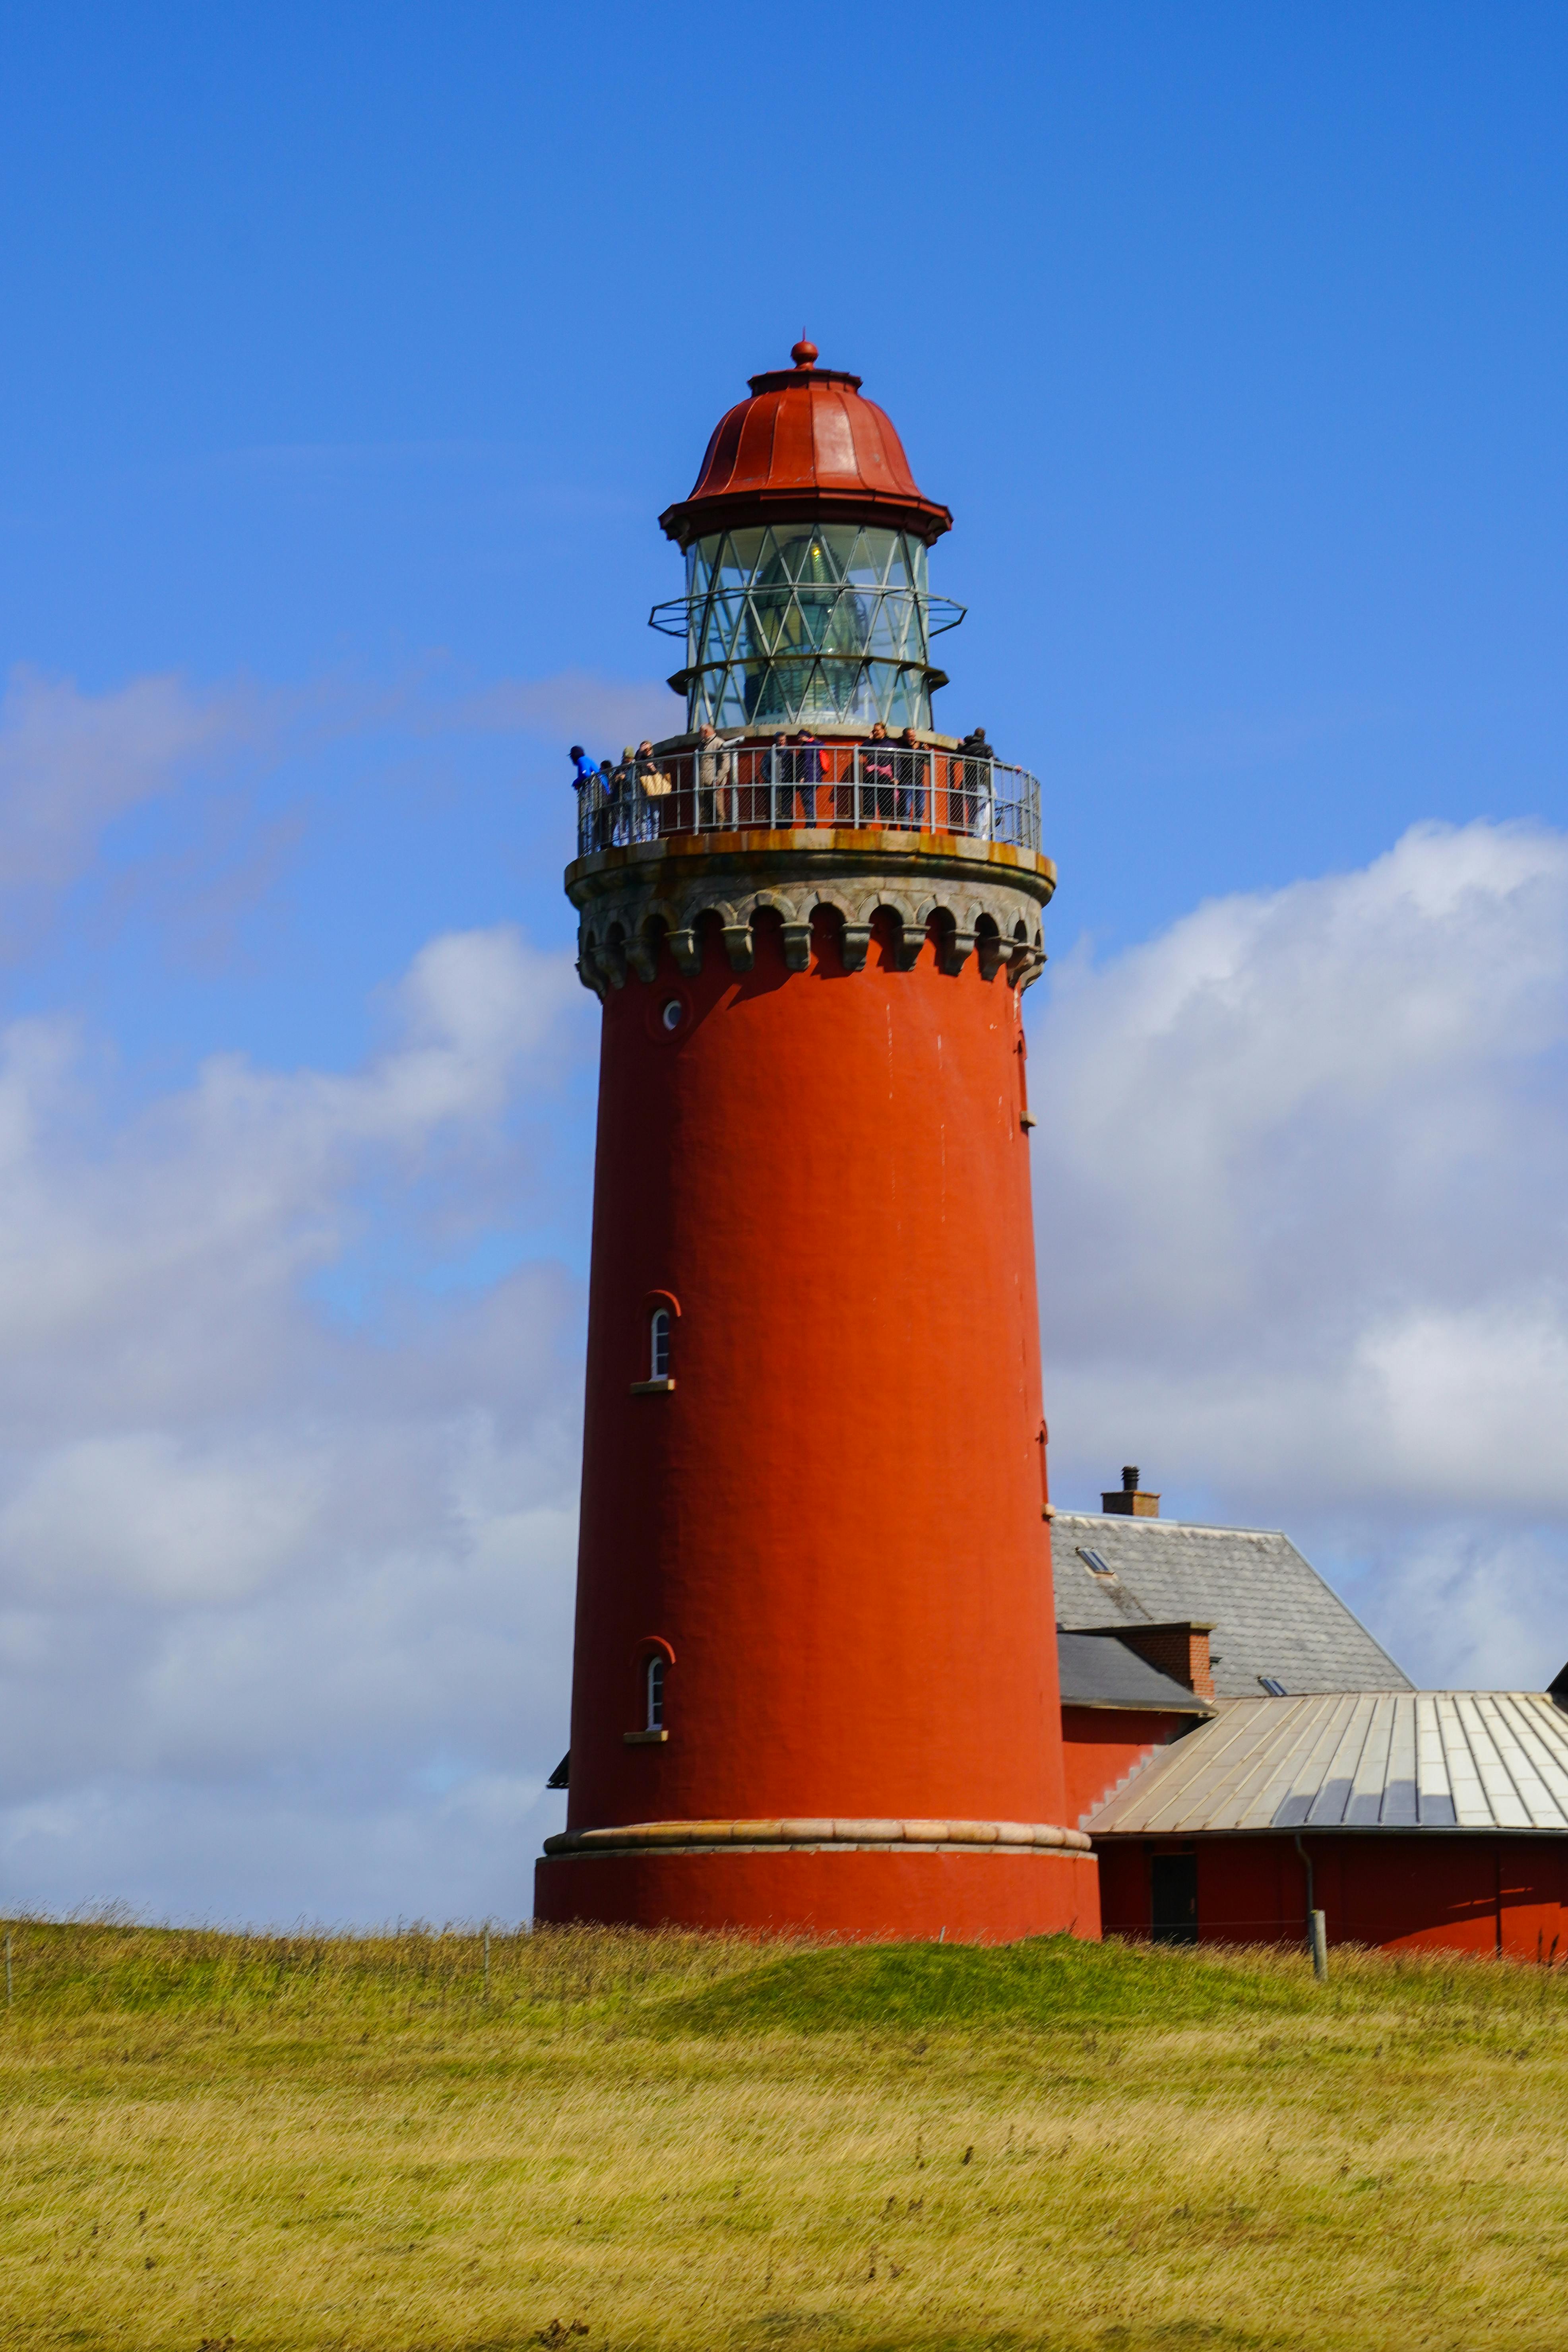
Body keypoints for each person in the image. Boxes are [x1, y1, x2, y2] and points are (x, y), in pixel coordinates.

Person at [696, 724, 732, 829]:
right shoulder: (701, 746)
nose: (699, 735)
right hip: (702, 786)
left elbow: (725, 764)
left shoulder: (719, 743)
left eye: (701, 732)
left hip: (715, 785)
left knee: (719, 812)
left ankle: (719, 835)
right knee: (704, 812)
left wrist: (718, 780)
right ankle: (707, 835)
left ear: (706, 732)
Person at [861, 721, 897, 825]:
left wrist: (896, 777)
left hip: (885, 778)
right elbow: (861, 751)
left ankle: (885, 831)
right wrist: (869, 739)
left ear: (884, 731)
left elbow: (896, 762)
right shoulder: (871, 744)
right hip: (871, 777)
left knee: (885, 805)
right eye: (874, 731)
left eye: (878, 730)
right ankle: (867, 830)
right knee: (868, 805)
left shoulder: (891, 745)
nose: (876, 732)